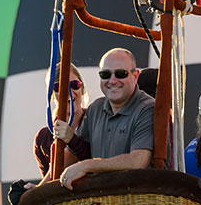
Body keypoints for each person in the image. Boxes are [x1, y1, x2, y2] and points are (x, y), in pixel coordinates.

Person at [54, 48, 154, 189]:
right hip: (101, 203)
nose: (112, 81)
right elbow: (71, 155)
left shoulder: (148, 108)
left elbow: (138, 161)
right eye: (105, 74)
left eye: (121, 74)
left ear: (135, 76)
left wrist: (87, 166)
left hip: (138, 202)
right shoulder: (96, 108)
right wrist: (39, 188)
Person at [33, 62, 90, 178]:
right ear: (52, 94)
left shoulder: (96, 120)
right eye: (59, 87)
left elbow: (100, 160)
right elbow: (50, 185)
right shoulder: (43, 139)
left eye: (74, 84)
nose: (68, 91)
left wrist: (72, 140)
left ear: (82, 89)